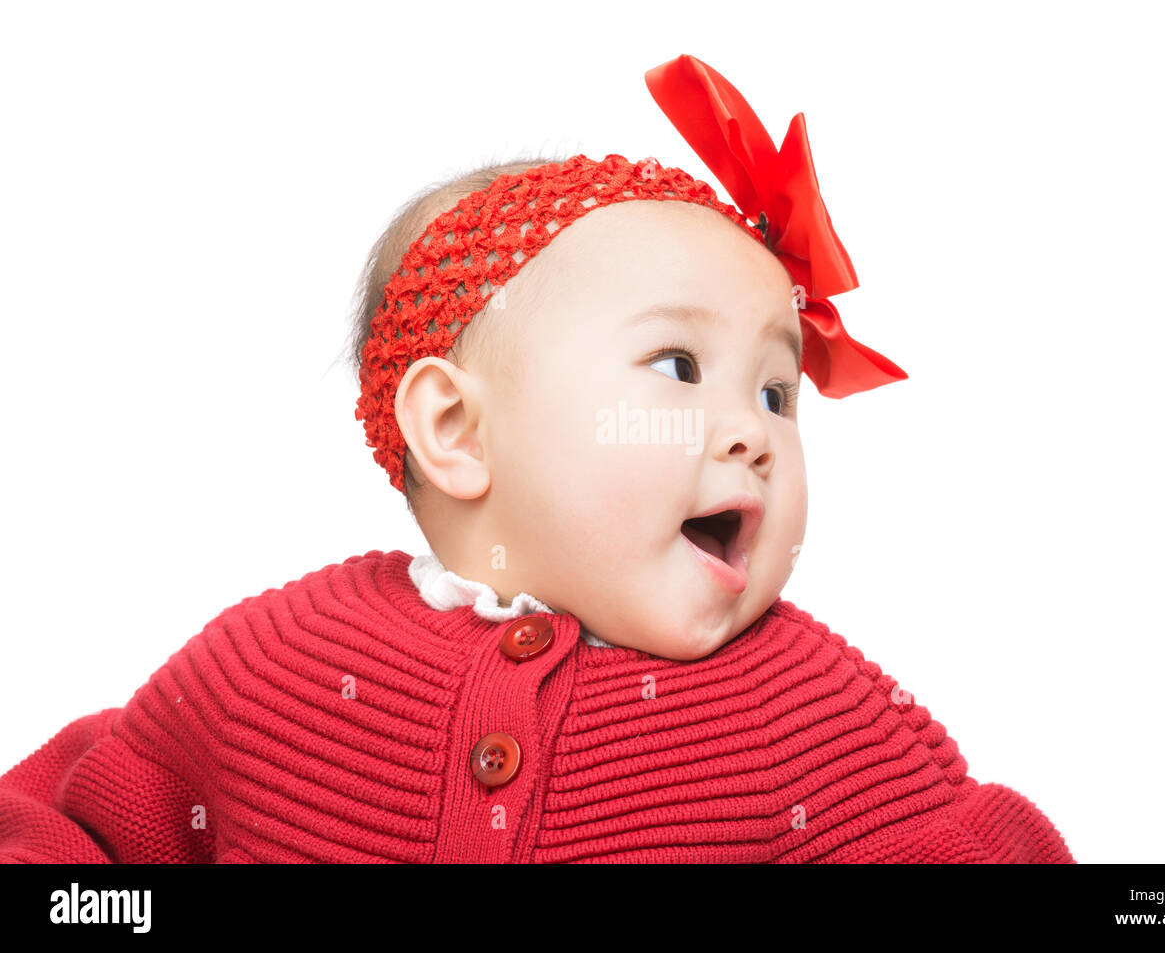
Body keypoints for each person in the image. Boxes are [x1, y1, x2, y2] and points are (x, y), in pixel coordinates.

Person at [0, 54, 1074, 863]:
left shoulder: (808, 711)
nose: (753, 430)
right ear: (457, 432)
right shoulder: (271, 662)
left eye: (775, 391)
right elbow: (81, 833)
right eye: (676, 362)